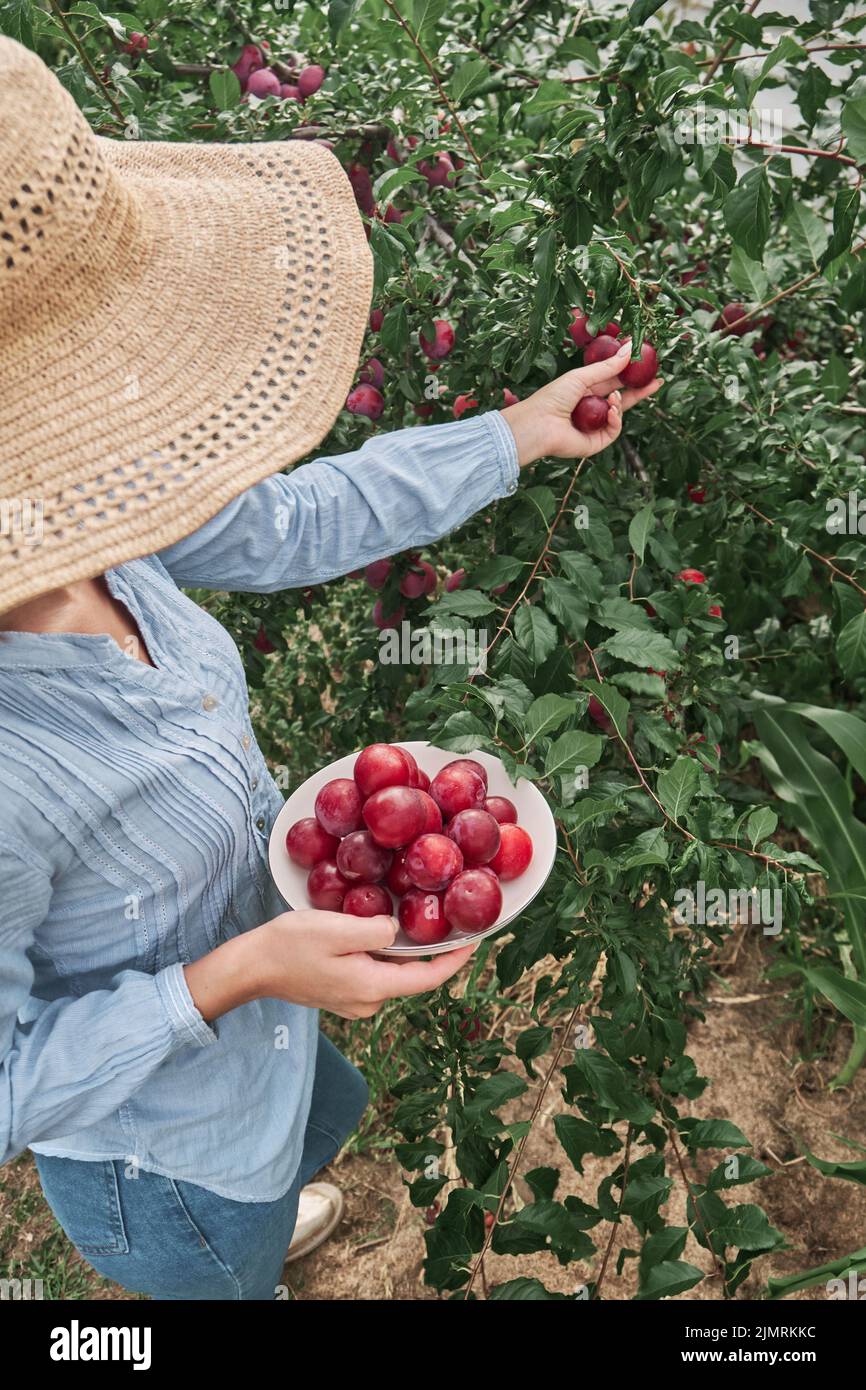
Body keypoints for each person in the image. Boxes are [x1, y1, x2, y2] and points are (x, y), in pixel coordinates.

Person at [0, 38, 661, 1300]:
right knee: (224, 1260)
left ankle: (270, 1210)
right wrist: (236, 972)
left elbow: (297, 519)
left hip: (271, 1049)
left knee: (299, 1133)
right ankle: (232, 1259)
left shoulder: (104, 506)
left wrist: (514, 435)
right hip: (169, 1165)